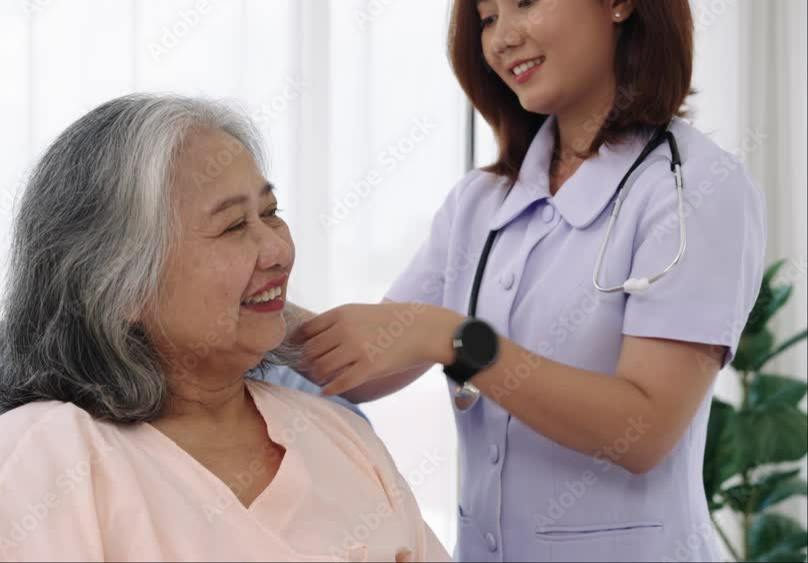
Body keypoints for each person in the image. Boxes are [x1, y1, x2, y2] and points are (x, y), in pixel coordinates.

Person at [293, 1, 766, 561]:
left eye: (523, 3)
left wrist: (457, 340)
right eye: (487, 17)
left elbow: (646, 430)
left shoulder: (691, 189)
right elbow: (366, 361)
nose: (500, 38)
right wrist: (235, 309)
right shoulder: (480, 202)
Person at [0, 94, 450, 562]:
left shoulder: (341, 440)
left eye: (272, 212)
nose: (279, 250)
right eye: (234, 226)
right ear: (119, 285)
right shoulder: (40, 466)